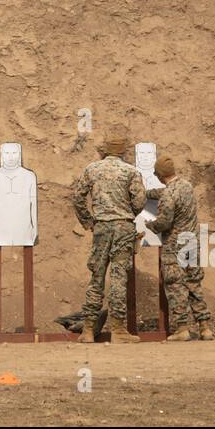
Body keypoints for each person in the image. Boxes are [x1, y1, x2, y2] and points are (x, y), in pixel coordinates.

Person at [71, 128, 145, 344]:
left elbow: (77, 197)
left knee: (96, 276)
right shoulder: (131, 172)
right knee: (119, 277)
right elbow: (139, 202)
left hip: (101, 226)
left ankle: (87, 329)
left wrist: (89, 221)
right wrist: (126, 211)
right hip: (123, 227)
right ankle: (118, 330)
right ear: (123, 150)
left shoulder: (92, 169)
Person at [150, 156, 212, 341]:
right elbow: (167, 192)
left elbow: (164, 222)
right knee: (194, 284)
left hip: (175, 246)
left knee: (175, 285)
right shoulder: (186, 186)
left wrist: (151, 225)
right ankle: (205, 328)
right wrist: (149, 193)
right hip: (192, 243)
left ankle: (182, 329)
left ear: (160, 175)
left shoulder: (169, 195)